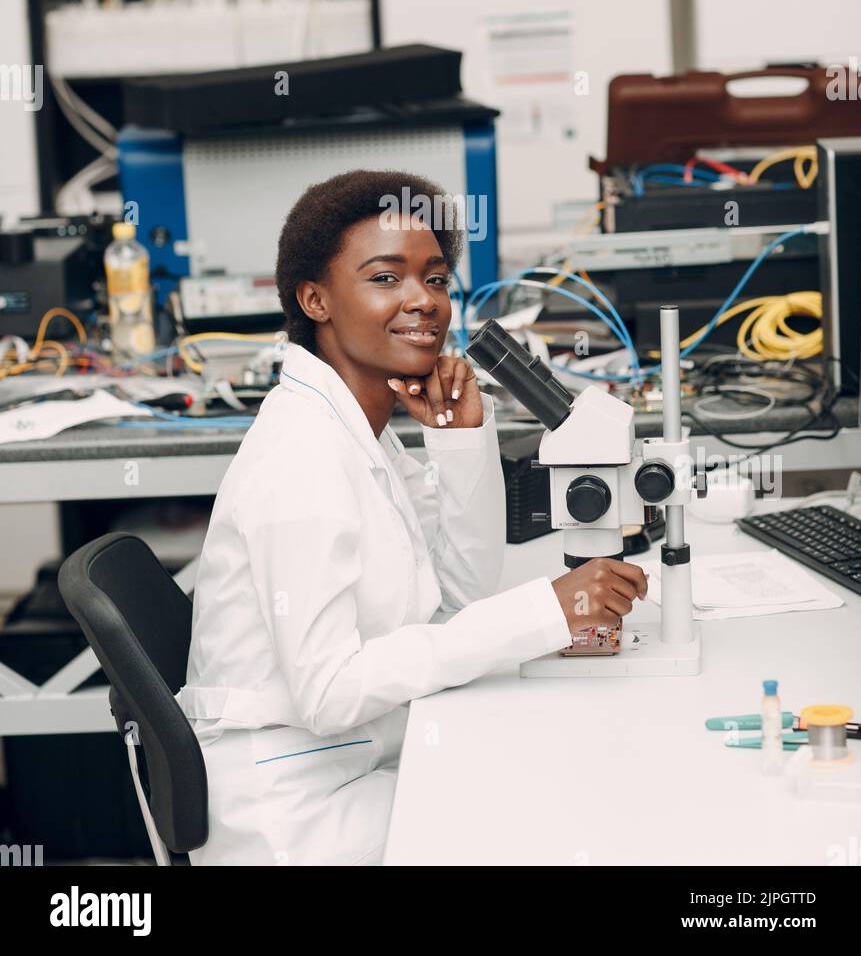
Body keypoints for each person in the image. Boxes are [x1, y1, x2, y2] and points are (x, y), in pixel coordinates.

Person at [178, 169, 647, 865]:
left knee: (568, 766)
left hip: (352, 763)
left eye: (434, 279)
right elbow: (330, 693)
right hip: (297, 814)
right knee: (566, 814)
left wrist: (459, 442)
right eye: (385, 278)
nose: (421, 301)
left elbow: (455, 597)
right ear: (315, 299)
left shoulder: (360, 431)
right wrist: (547, 610)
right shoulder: (300, 457)